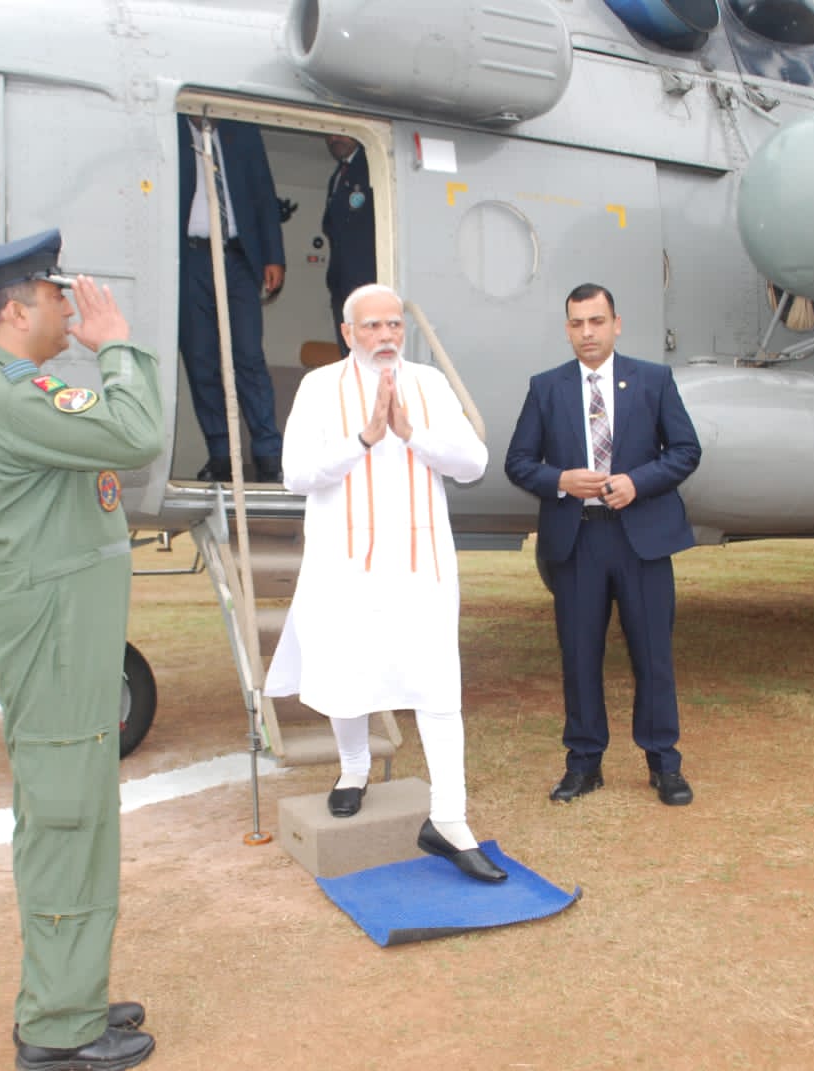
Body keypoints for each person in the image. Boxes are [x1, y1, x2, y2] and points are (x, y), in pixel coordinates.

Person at [0, 229, 164, 1071]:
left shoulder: (19, 388)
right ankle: (57, 1031)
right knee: (67, 821)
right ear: (15, 308)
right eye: (56, 294)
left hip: (65, 634)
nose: (73, 307)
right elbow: (137, 433)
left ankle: (71, 993)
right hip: (52, 637)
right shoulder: (7, 397)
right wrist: (118, 349)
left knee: (80, 815)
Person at [265, 283, 506, 883]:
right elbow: (296, 473)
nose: (386, 337)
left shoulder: (427, 384)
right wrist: (365, 440)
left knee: (437, 686)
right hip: (344, 566)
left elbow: (474, 463)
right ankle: (353, 769)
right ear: (348, 333)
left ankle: (450, 818)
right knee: (348, 674)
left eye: (394, 325)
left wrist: (411, 432)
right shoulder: (319, 387)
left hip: (420, 566)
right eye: (372, 327)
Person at [504, 283, 703, 807]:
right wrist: (562, 480)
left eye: (596, 321)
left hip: (642, 540)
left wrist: (639, 481)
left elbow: (685, 450)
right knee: (579, 657)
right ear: (567, 328)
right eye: (576, 323)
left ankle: (665, 764)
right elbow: (519, 462)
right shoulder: (546, 388)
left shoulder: (653, 381)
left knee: (653, 657)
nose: (587, 333)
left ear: (617, 324)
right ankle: (584, 765)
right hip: (578, 542)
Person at [177, 115, 286, 483]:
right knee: (200, 358)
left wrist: (274, 256)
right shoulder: (171, 125)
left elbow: (263, 193)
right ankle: (221, 454)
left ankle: (269, 455)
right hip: (189, 258)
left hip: (239, 259)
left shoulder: (243, 130)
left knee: (249, 357)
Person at [320, 134, 376, 355]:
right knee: (350, 353)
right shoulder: (337, 177)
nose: (334, 138)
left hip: (366, 282)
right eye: (329, 134)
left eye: (340, 130)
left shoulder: (373, 163)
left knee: (370, 354)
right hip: (342, 285)